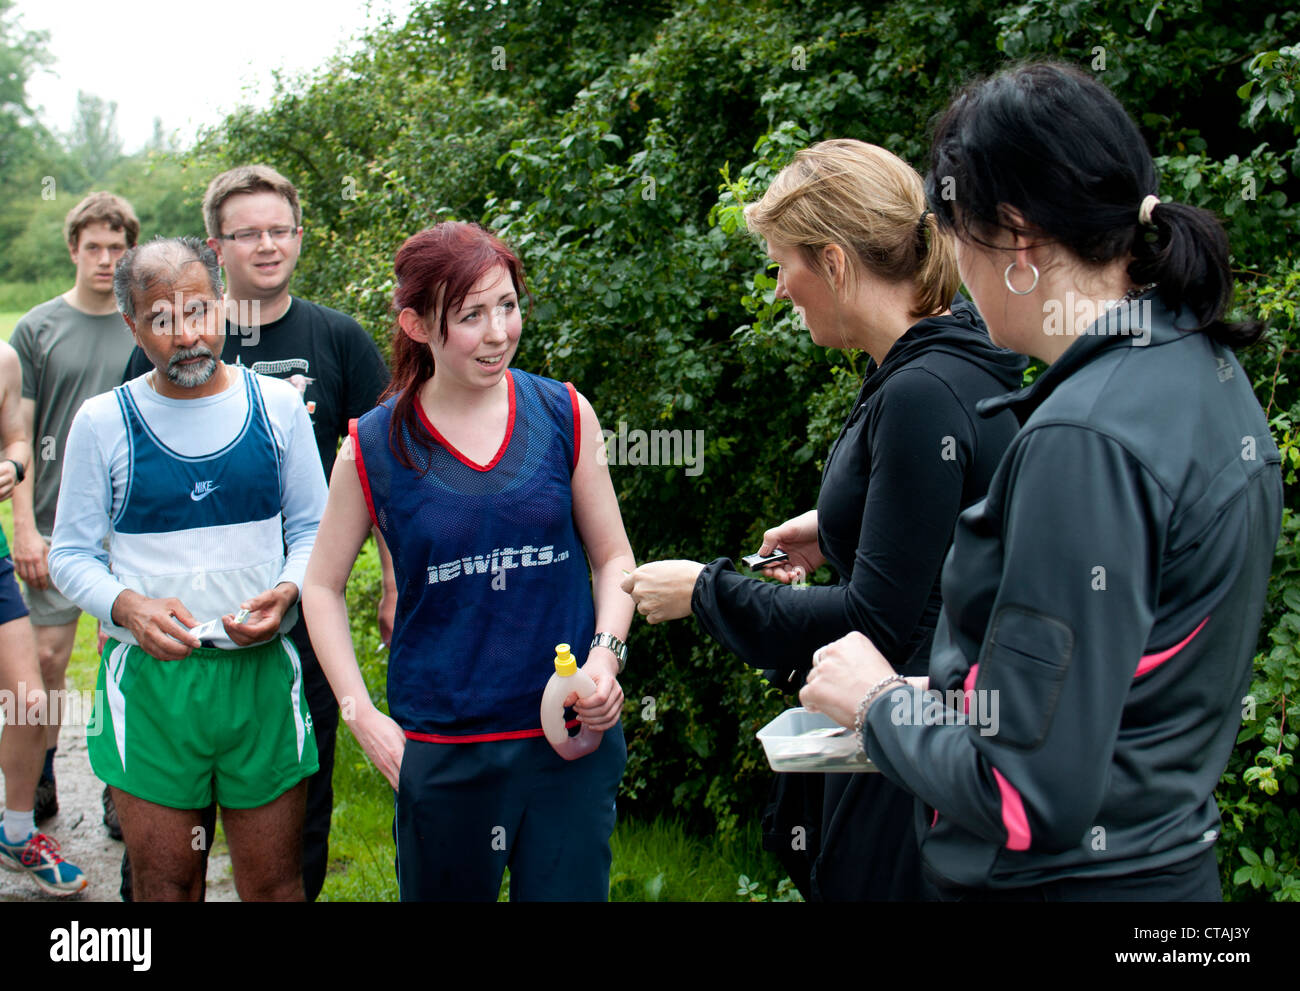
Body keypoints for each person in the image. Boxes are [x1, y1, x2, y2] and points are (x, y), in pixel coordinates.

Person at [800, 62, 1283, 901]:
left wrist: (880, 703)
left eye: (958, 235)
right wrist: (952, 692)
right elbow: (1122, 682)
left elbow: (1024, 790)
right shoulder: (1199, 368)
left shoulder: (1084, 441)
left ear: (1017, 242)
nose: (954, 269)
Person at [622, 140, 1026, 900]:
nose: (779, 290)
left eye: (783, 265)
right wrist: (836, 524)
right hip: (929, 736)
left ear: (835, 263)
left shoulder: (919, 394)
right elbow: (939, 525)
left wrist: (705, 591)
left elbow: (872, 618)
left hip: (909, 774)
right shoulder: (944, 357)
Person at [301, 221, 634, 901]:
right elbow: (321, 585)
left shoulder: (566, 412)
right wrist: (360, 712)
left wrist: (605, 658)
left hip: (567, 740)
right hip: (442, 749)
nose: (497, 332)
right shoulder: (371, 445)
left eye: (507, 306)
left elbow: (614, 556)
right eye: (471, 315)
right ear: (417, 324)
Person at [120, 164, 392, 901]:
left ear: (299, 236)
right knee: (162, 846)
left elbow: (385, 471)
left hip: (297, 619)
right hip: (172, 632)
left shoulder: (337, 340)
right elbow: (124, 473)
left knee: (291, 835)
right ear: (216, 247)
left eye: (281, 229)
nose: (268, 245)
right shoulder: (171, 337)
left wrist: (393, 579)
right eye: (248, 233)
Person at [48, 237, 326, 901]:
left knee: (275, 886)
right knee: (167, 886)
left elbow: (315, 531)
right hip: (153, 686)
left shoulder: (278, 407)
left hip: (260, 676)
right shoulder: (103, 422)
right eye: (163, 319)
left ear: (225, 306)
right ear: (133, 326)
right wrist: (130, 607)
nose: (189, 335)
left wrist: (288, 590)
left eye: (200, 311)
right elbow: (70, 555)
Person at [9, 191, 140, 828]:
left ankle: (125, 784)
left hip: (136, 520)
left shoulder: (144, 323)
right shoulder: (37, 328)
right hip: (57, 521)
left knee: (129, 649)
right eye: (95, 247)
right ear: (74, 249)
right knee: (51, 660)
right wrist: (24, 526)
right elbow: (18, 433)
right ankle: (39, 773)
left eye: (118, 249)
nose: (107, 259)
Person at [0, 338, 87, 896]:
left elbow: (15, 436)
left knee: (31, 701)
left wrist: (11, 465)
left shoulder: (3, 361)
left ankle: (16, 831)